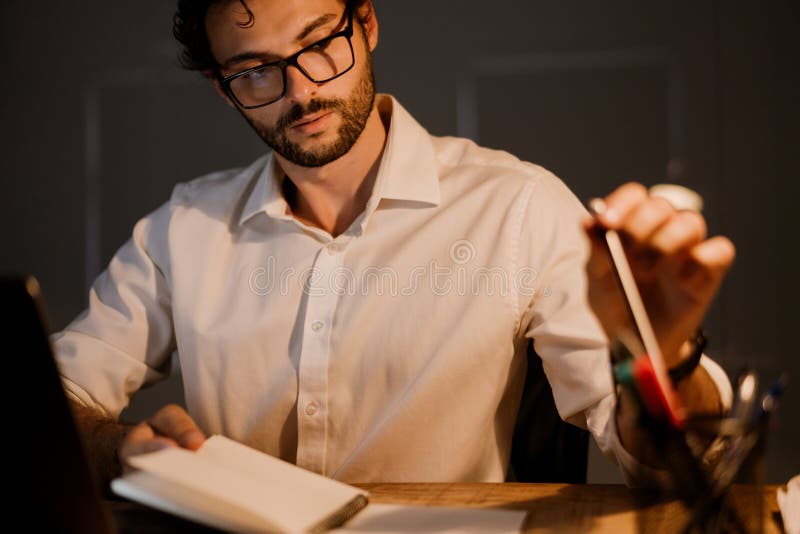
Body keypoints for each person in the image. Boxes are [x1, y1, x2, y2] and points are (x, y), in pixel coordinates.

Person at [57, 0, 735, 487]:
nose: (303, 89)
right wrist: (119, 449)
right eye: (257, 70)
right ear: (224, 91)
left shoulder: (516, 207)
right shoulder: (182, 230)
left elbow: (668, 464)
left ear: (367, 23)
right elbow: (46, 396)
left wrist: (665, 361)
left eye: (321, 40)